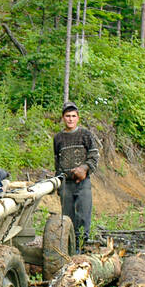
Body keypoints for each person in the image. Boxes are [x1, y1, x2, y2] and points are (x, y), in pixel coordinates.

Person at [53, 101, 99, 249]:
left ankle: (84, 247)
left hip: (83, 182)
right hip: (66, 183)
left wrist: (84, 169)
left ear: (78, 118)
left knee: (83, 215)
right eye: (67, 116)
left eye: (73, 116)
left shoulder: (85, 134)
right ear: (63, 118)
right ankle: (70, 248)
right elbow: (57, 161)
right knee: (67, 217)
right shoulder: (58, 138)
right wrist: (59, 182)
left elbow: (94, 156)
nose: (70, 119)